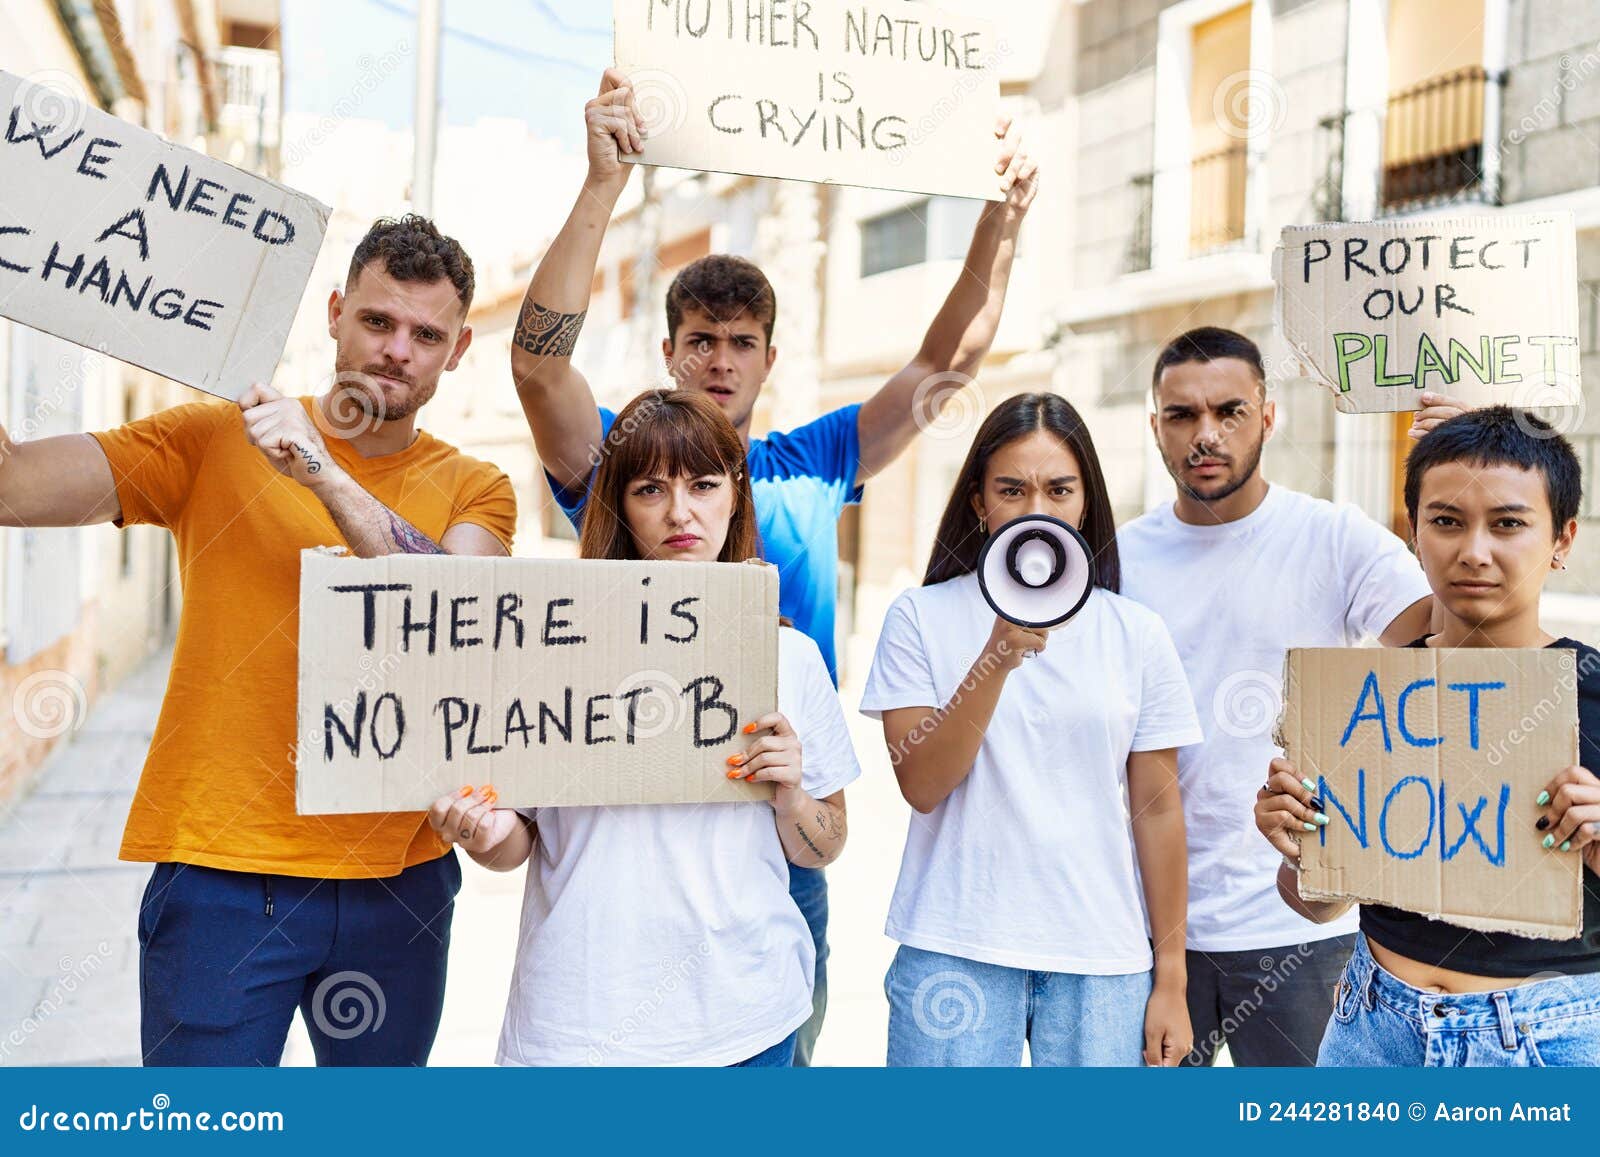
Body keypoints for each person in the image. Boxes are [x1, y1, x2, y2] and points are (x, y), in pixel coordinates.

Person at [511, 69, 1039, 1064]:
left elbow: (947, 366)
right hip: (634, 828)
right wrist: (600, 185)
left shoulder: (819, 458)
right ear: (669, 350)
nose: (720, 360)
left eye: (740, 343)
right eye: (700, 340)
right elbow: (538, 365)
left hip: (784, 813)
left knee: (772, 1061)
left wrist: (1001, 217)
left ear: (769, 357)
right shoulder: (624, 463)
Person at [0, 215, 515, 1065]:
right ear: (335, 311)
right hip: (221, 878)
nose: (398, 351)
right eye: (379, 321)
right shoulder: (210, 440)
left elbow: (451, 601)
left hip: (399, 881)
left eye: (427, 335)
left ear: (457, 351)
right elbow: (14, 488)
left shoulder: (477, 486)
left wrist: (317, 467)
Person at [429, 389, 861, 1066]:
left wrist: (793, 796)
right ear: (621, 508)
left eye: (704, 484)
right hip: (576, 1028)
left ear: (735, 496)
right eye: (651, 488)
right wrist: (481, 832)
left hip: (746, 1026)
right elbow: (517, 843)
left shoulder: (790, 656)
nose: (680, 511)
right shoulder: (551, 648)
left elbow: (824, 844)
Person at [1115, 327, 1436, 1066]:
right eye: (1182, 415)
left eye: (1229, 411)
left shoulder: (1333, 537)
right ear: (1156, 425)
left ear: (1268, 415)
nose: (1206, 434)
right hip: (1148, 928)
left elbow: (1440, 651)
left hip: (1302, 925)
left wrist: (1454, 464)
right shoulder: (1118, 556)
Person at [859, 392, 1201, 1066]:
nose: (1037, 509)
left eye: (1059, 489)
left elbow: (1158, 813)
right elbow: (922, 783)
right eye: (1012, 489)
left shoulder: (1135, 632)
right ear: (980, 502)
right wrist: (996, 658)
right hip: (955, 946)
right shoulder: (919, 617)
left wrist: (1172, 978)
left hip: (1100, 958)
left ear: (1084, 503)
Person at [1258, 405, 1600, 1066]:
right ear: (1413, 532)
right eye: (1446, 521)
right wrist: (1297, 843)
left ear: (1561, 539)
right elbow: (1317, 906)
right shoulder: (1364, 697)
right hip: (1373, 1030)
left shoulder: (1593, 689)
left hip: (1552, 1043)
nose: (1474, 550)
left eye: (1508, 523)